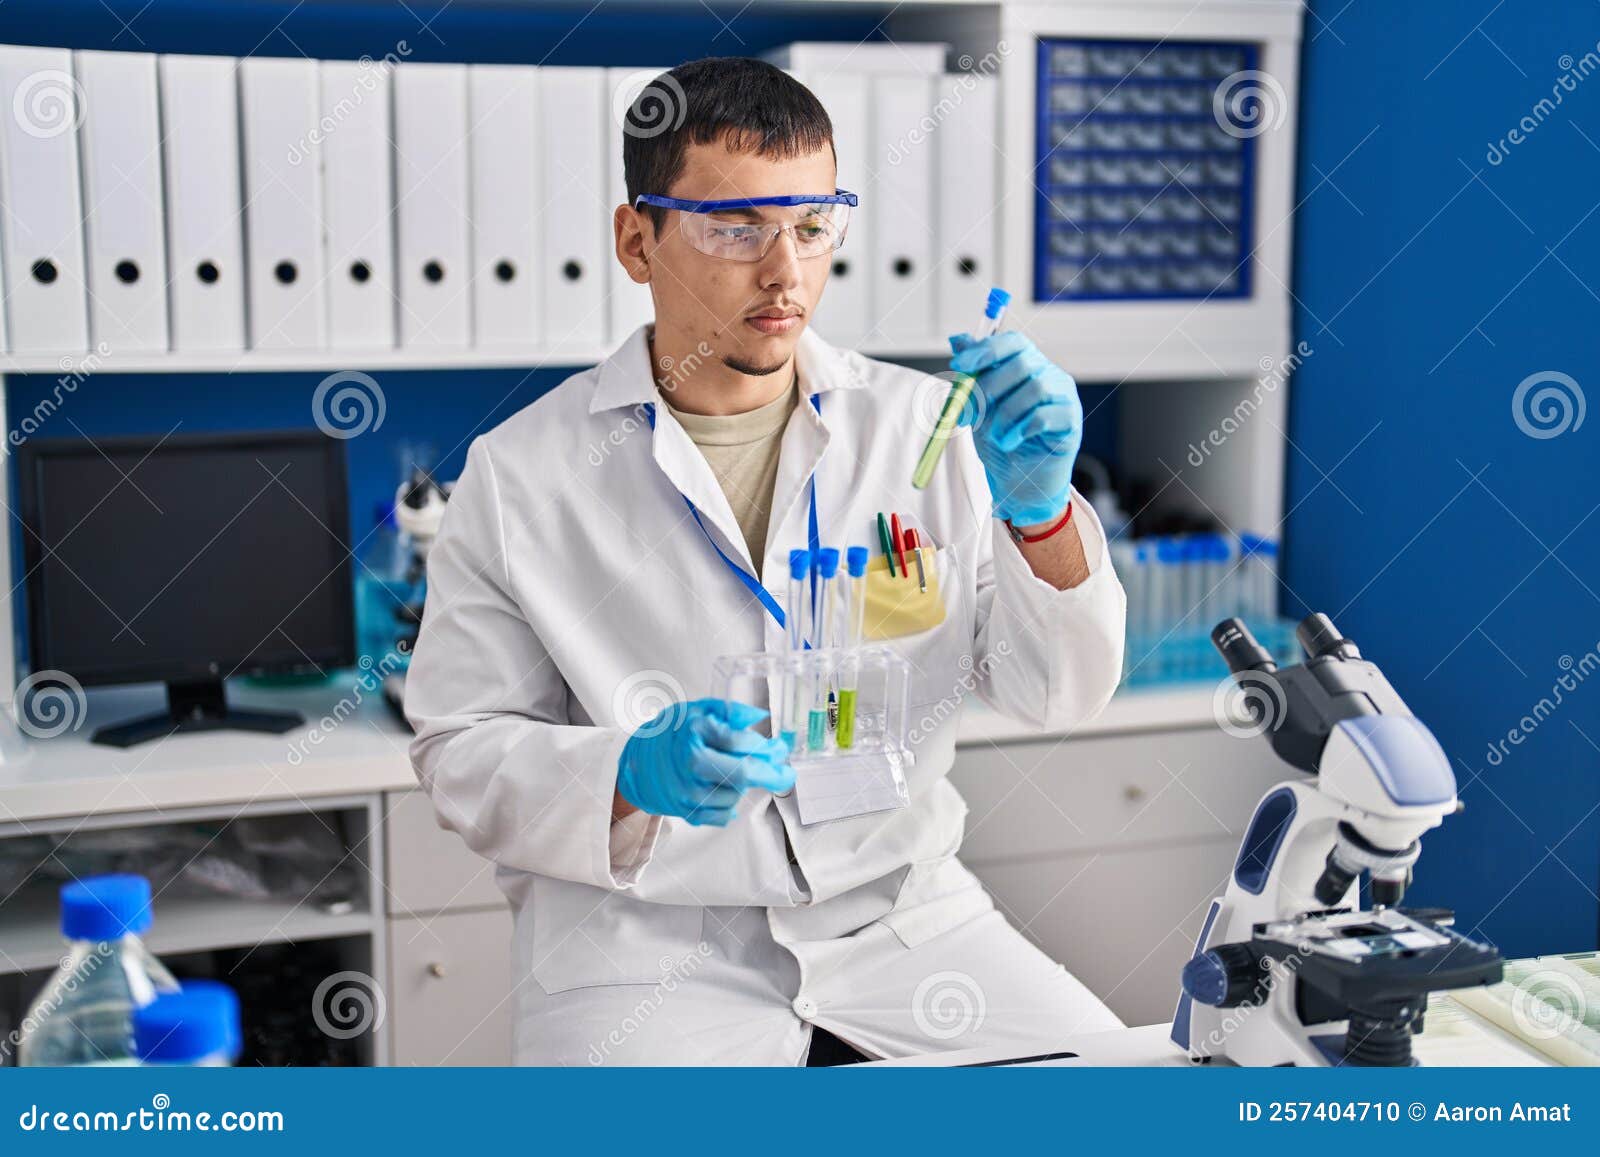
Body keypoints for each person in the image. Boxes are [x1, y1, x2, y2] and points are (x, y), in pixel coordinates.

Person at [405, 56, 1128, 1066]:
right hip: (645, 942)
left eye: (813, 224)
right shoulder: (523, 473)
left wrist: (1042, 512)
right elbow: (459, 749)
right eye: (737, 228)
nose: (786, 273)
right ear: (636, 239)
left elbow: (1056, 694)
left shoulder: (923, 429)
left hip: (902, 922)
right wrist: (625, 772)